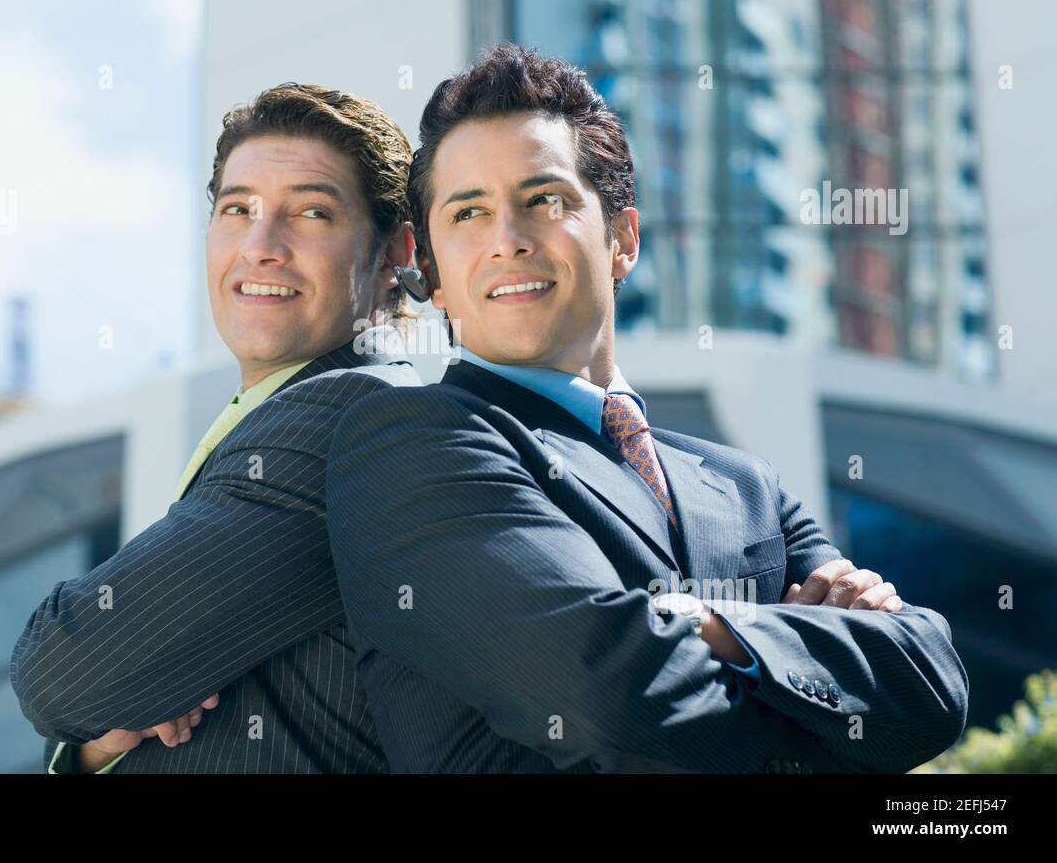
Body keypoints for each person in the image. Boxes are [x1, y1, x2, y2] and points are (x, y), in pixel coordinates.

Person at [324, 45, 969, 773]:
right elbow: (607, 695)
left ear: (623, 240)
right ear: (434, 276)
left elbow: (931, 682)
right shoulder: (412, 445)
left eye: (544, 199)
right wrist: (793, 646)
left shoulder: (747, 486)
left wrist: (705, 622)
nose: (507, 239)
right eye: (468, 212)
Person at [11, 82, 420, 772]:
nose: (262, 246)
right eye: (239, 209)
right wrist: (102, 735)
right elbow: (95, 690)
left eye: (312, 212)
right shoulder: (292, 411)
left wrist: (106, 695)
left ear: (392, 254)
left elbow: (63, 670)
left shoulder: (351, 415)